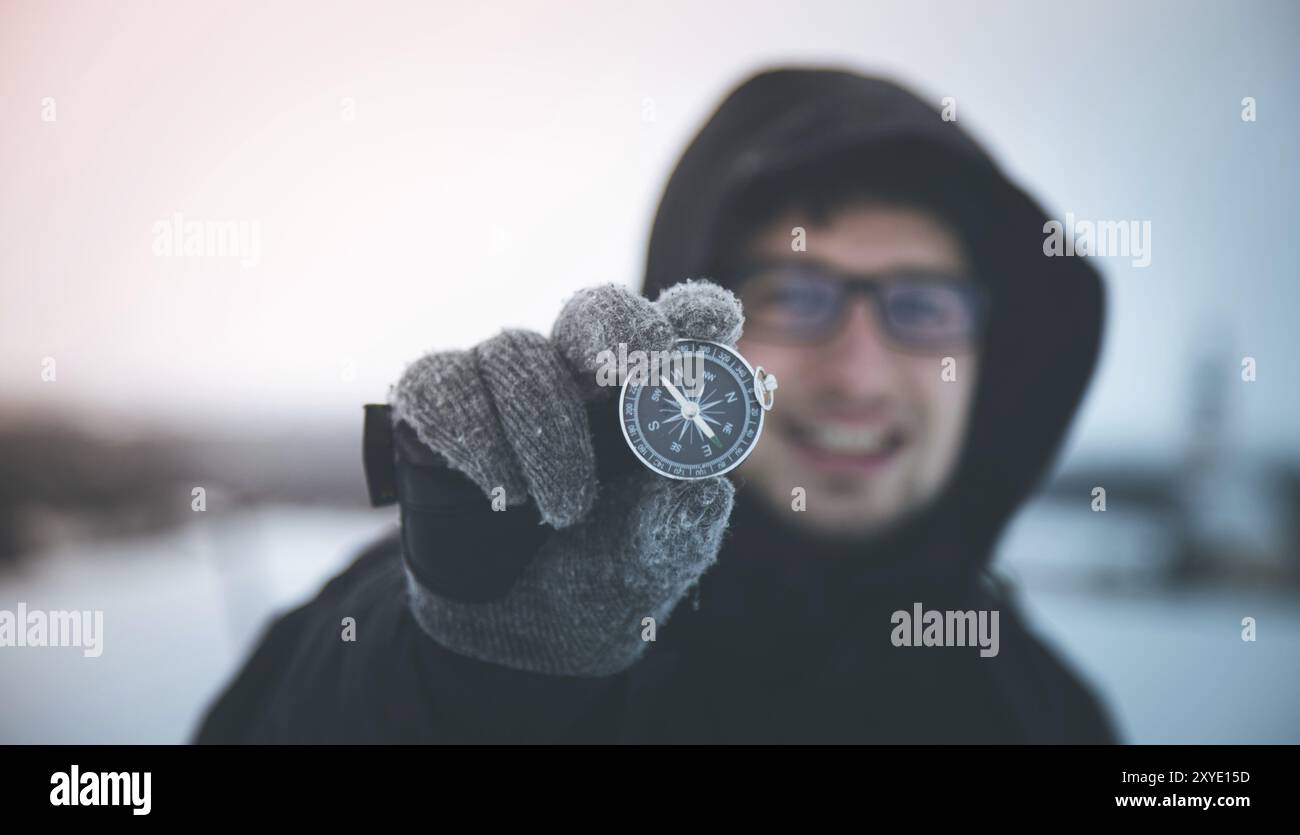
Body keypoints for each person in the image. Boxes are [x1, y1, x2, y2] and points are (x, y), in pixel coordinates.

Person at [195, 66, 1115, 743]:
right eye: (795, 297)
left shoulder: (1049, 715)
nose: (859, 373)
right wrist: (479, 682)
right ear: (686, 331)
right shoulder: (447, 594)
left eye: (921, 306)